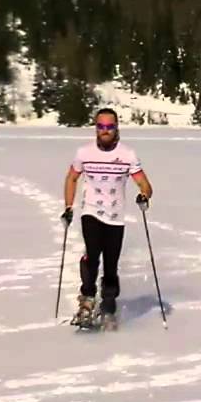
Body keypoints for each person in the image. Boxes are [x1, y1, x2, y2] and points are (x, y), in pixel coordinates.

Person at [62, 107, 153, 330]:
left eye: (109, 127)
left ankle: (109, 307)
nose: (105, 131)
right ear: (96, 128)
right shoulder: (84, 153)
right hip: (90, 213)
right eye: (100, 126)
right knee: (92, 257)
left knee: (111, 265)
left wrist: (144, 195)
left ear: (116, 128)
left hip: (116, 217)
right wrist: (68, 206)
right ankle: (87, 300)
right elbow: (72, 178)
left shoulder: (127, 155)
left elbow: (145, 184)